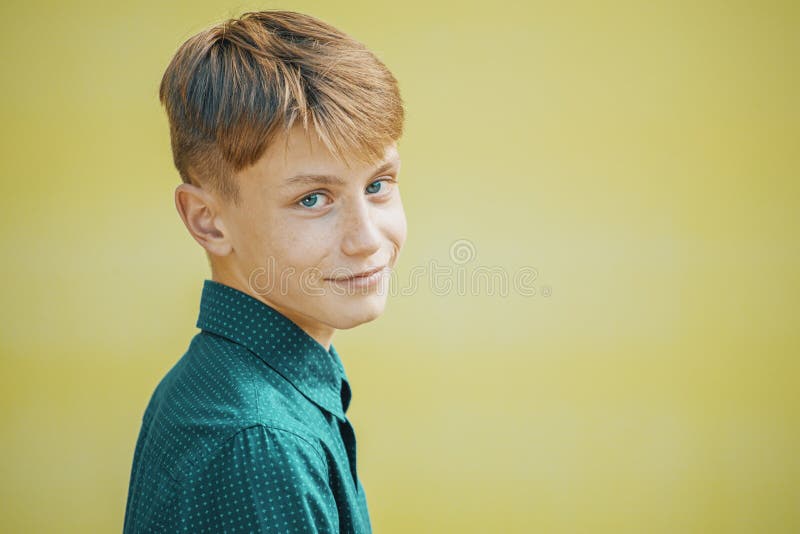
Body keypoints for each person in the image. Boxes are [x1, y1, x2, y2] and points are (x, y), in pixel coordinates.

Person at [123, 10, 406, 533]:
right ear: (208, 221)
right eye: (313, 199)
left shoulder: (251, 389)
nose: (366, 239)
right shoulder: (259, 441)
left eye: (377, 185)